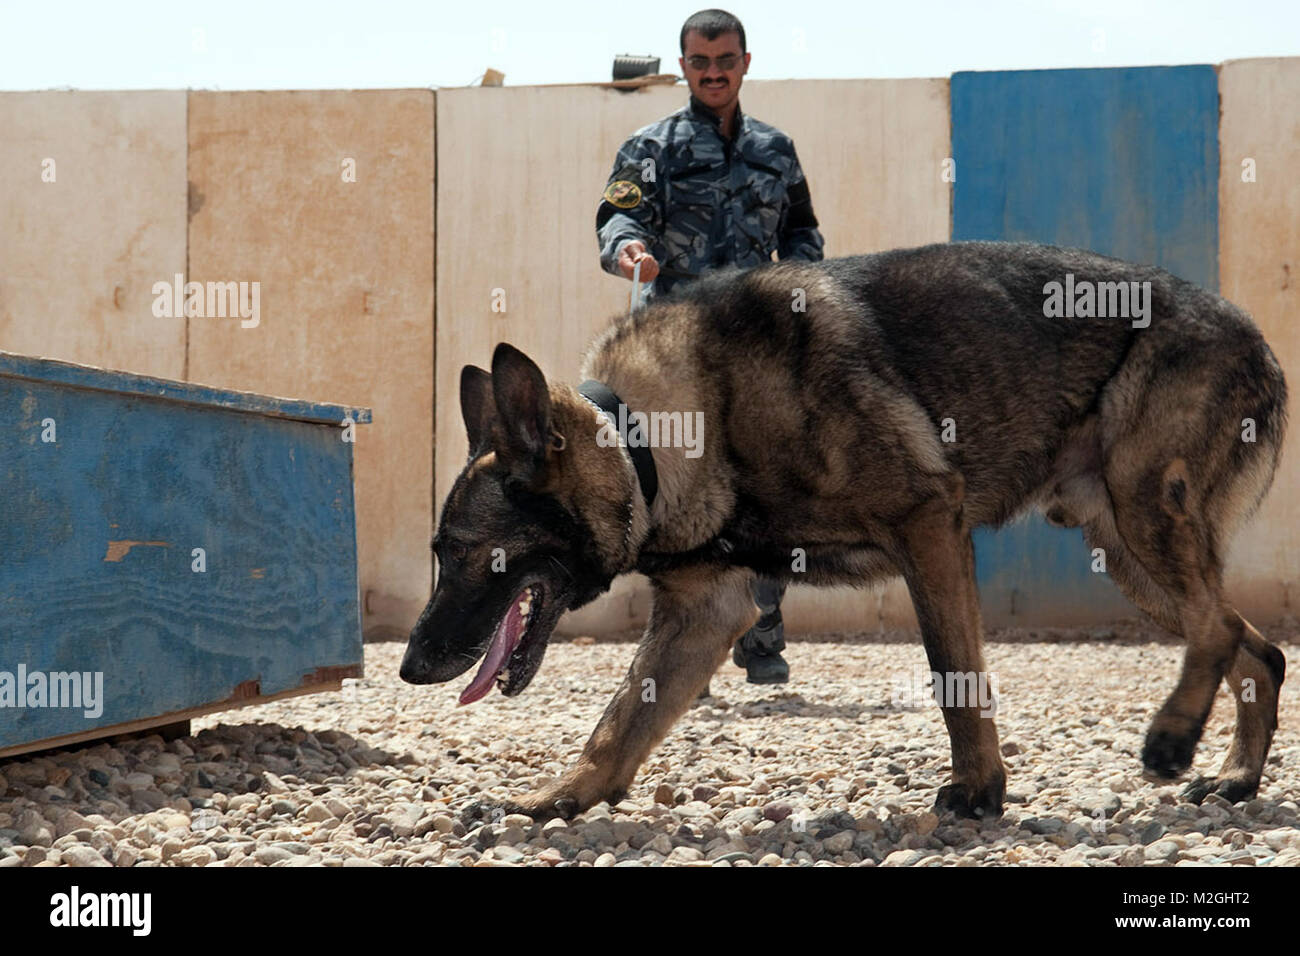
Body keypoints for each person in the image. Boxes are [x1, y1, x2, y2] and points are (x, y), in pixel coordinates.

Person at [595, 8, 825, 686]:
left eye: (725, 60)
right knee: (676, 495)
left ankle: (764, 635)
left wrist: (802, 293)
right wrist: (627, 248)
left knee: (764, 485)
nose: (714, 72)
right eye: (700, 62)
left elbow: (804, 234)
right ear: (684, 67)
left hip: (756, 351)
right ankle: (679, 643)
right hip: (674, 356)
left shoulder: (776, 151)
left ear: (745, 63)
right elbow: (620, 215)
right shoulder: (652, 146)